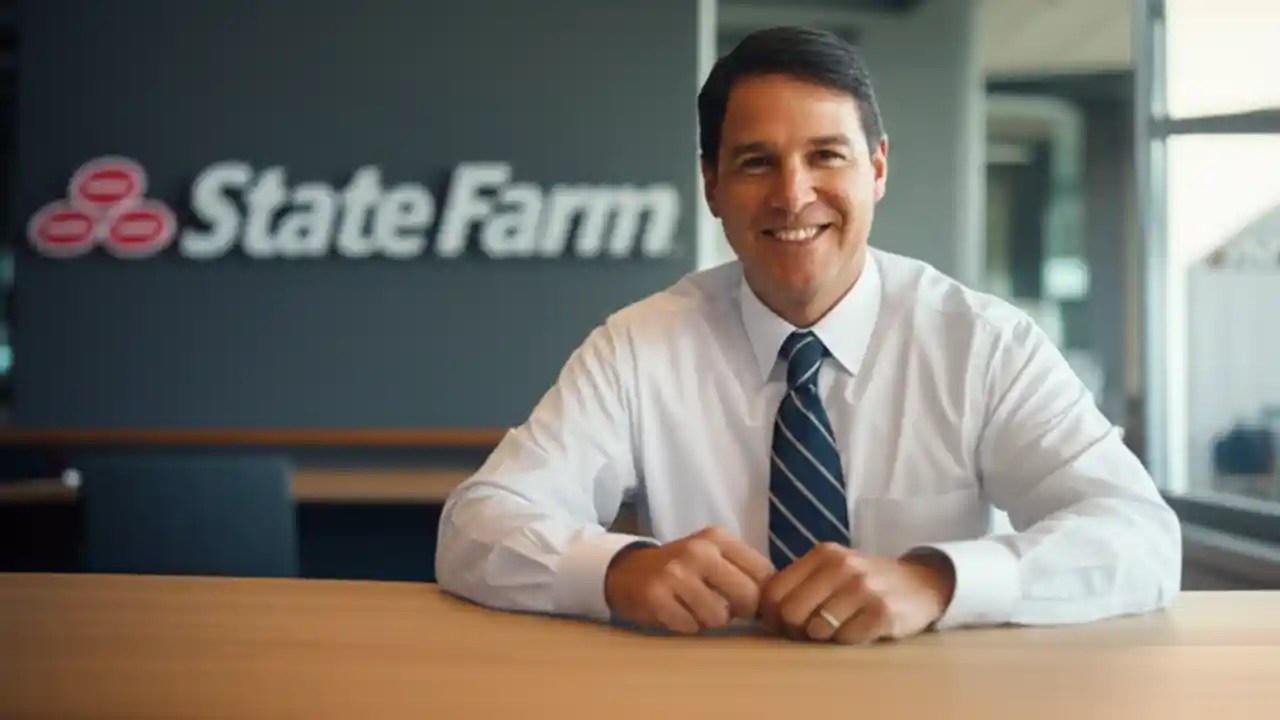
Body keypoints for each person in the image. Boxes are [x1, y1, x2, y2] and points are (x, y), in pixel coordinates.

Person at [435, 26, 1180, 644]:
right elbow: (475, 527)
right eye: (757, 162)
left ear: (877, 169)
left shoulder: (983, 343)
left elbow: (1141, 537)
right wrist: (616, 569)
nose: (794, 195)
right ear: (712, 186)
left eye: (826, 155)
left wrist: (937, 579)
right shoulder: (639, 346)